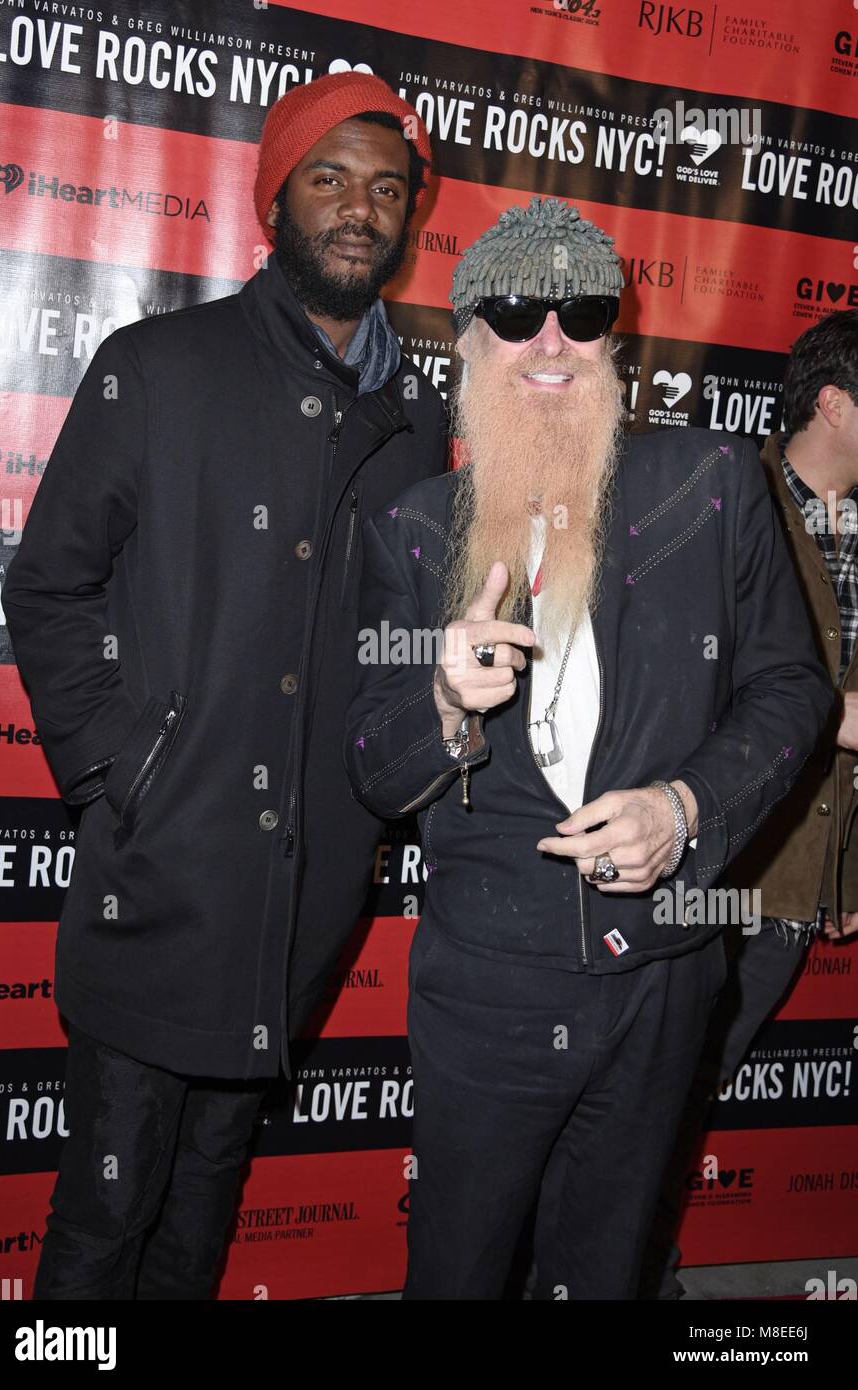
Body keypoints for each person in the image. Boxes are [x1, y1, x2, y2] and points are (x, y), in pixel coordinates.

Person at [1, 71, 447, 1300]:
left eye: (384, 188)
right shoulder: (155, 367)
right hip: (160, 879)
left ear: (409, 218)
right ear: (273, 200)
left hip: (300, 902)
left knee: (205, 1201)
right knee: (102, 1211)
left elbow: (395, 638)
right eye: (328, 179)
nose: (358, 209)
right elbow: (45, 587)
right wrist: (122, 764)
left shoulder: (414, 420)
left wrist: (369, 796)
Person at [343, 194, 836, 1300]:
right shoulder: (416, 531)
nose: (550, 340)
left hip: (662, 977)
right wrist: (441, 700)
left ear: (614, 334)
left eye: (581, 308)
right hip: (487, 991)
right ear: (469, 338)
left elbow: (789, 685)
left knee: (604, 1273)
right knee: (459, 1273)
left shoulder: (709, 488)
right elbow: (370, 768)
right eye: (516, 311)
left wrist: (685, 806)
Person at [641, 308, 858, 1300]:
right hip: (718, 859)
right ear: (833, 401)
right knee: (655, 1087)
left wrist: (842, 867)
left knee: (693, 1087)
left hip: (797, 875)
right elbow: (692, 680)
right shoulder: (732, 495)